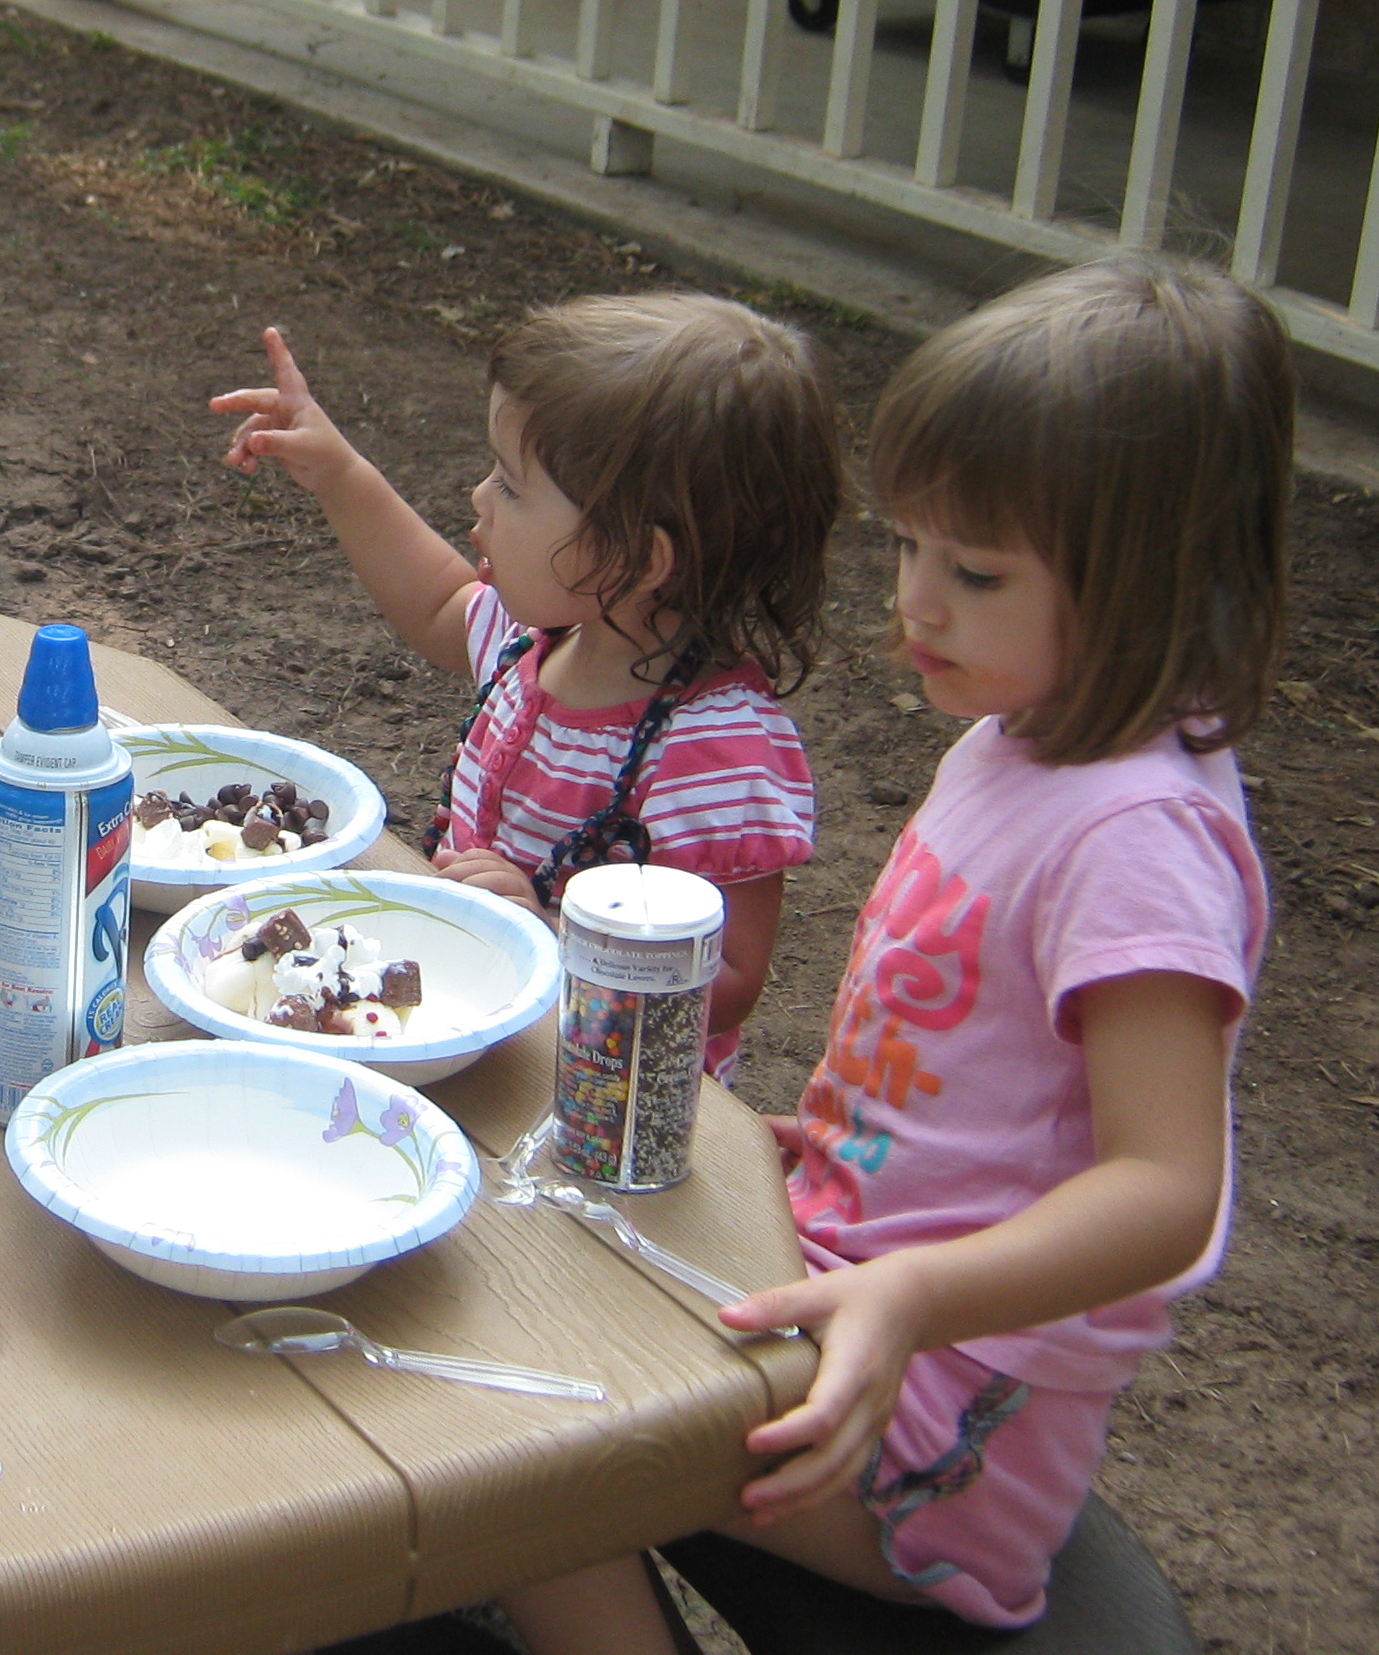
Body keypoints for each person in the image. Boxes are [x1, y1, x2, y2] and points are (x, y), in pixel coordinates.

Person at [494, 256, 1287, 1650]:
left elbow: (1166, 1188)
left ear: (1160, 580)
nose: (914, 605)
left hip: (923, 1417)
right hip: (850, 1270)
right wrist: (880, 1139)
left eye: (974, 572)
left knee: (514, 1451)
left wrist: (915, 1282)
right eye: (911, 549)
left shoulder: (1140, 837)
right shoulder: (1022, 739)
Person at [211, 296, 843, 1061]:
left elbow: (734, 977)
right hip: (467, 1019)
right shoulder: (539, 638)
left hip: (594, 1086)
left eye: (511, 486)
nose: (479, 497)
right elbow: (442, 601)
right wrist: (338, 473)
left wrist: (552, 934)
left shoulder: (717, 749)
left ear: (636, 560)